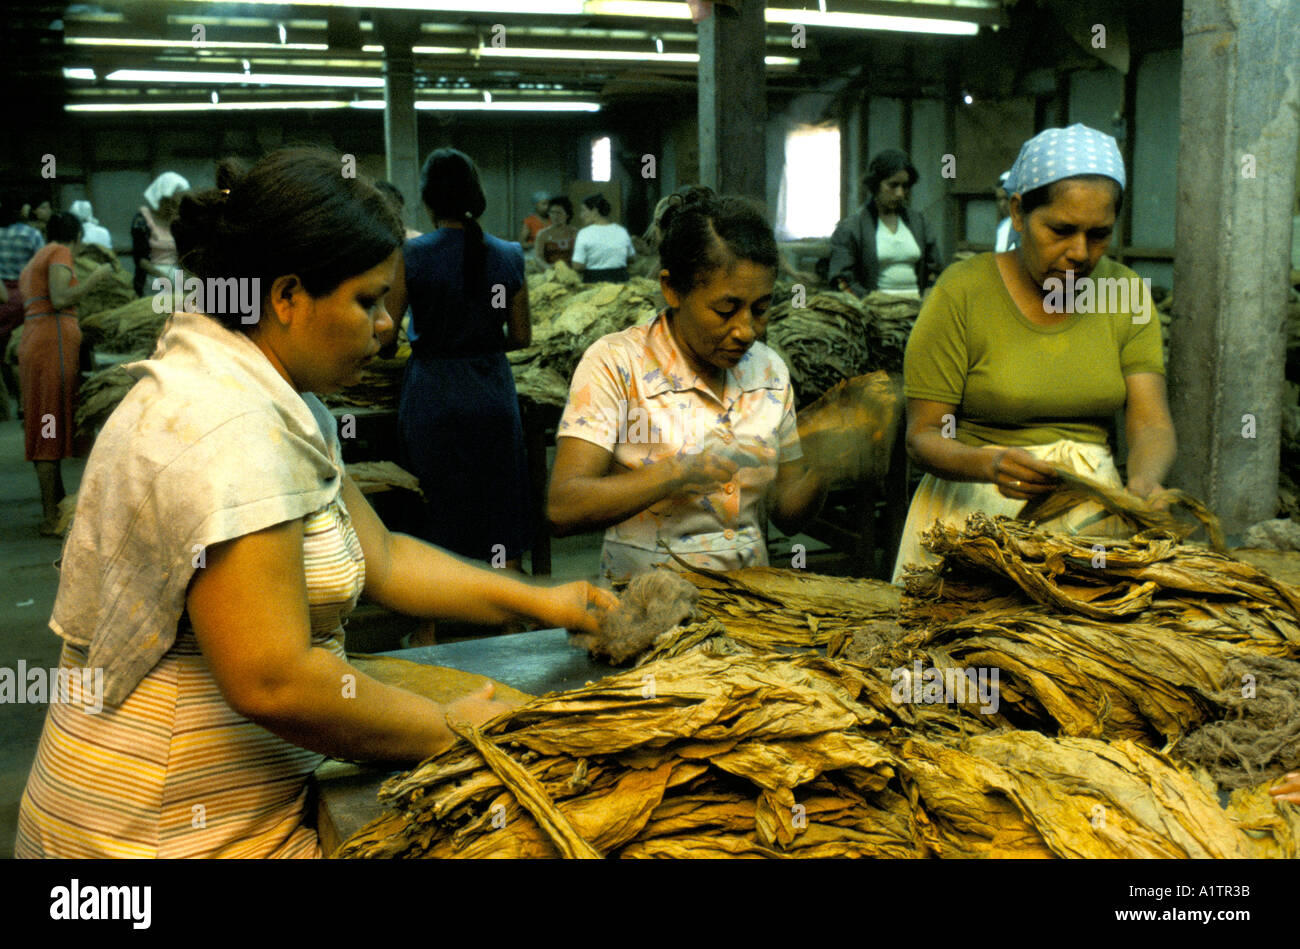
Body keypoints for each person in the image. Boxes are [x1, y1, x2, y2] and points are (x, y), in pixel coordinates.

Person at [15, 148, 615, 859]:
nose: (388, 325)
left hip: (235, 805)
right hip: (156, 829)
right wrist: (453, 726)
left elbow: (383, 557)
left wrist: (550, 602)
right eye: (367, 301)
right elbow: (273, 679)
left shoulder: (279, 402)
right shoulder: (228, 427)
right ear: (288, 296)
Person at [891, 123, 1175, 583]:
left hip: (1088, 514)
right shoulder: (961, 292)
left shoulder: (1125, 293)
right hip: (973, 513)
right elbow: (922, 436)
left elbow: (1151, 422)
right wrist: (989, 463)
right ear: (1019, 212)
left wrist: (1142, 481)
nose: (1080, 252)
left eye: (1099, 234)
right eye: (1060, 230)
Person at [548, 187, 825, 579]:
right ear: (671, 289)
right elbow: (564, 508)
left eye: (761, 310)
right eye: (726, 309)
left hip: (749, 603)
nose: (746, 331)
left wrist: (828, 464)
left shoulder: (769, 372)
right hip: (645, 604)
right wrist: (677, 472)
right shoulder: (617, 364)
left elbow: (787, 517)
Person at [384, 148, 534, 571]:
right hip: (492, 390)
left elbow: (386, 335)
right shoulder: (509, 254)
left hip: (434, 391)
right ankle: (509, 615)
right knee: (500, 497)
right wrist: (479, 343)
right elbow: (521, 336)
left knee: (434, 499)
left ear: (428, 200)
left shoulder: (410, 255)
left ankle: (429, 625)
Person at [16, 211, 114, 534]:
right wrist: (95, 278)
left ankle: (56, 509)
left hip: (36, 340)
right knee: (49, 423)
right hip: (51, 343)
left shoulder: (35, 261)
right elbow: (60, 297)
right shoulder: (60, 252)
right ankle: (50, 517)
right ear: (77, 237)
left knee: (45, 422)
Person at [828, 149, 942, 298]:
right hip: (874, 310)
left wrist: (928, 297)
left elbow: (934, 268)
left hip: (917, 308)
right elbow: (841, 278)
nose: (900, 193)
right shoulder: (852, 227)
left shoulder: (918, 222)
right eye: (893, 185)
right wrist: (870, 306)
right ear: (875, 185)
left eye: (905, 186)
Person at [0, 191, 45, 410]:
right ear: (21, 211)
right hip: (25, 296)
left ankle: (5, 404)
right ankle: (24, 403)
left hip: (1, 297)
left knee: (3, 351)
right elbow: (42, 265)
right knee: (21, 349)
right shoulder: (31, 234)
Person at [130, 171, 189, 296]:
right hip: (153, 279)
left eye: (176, 202)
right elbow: (140, 259)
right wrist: (164, 278)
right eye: (170, 202)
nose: (173, 206)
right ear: (160, 199)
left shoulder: (178, 221)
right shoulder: (142, 220)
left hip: (176, 278)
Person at [572, 194, 635, 283]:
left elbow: (577, 266)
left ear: (594, 211)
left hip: (594, 282)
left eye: (583, 211)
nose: (581, 215)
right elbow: (631, 258)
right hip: (621, 281)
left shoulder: (584, 233)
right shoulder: (622, 231)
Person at [533, 196, 577, 268]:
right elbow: (538, 257)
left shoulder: (575, 232)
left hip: (572, 271)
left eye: (559, 213)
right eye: (552, 212)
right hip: (550, 271)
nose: (555, 216)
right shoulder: (543, 234)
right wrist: (548, 267)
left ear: (567, 215)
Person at [993, 170, 1018, 253]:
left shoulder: (1032, 224)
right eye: (999, 199)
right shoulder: (1003, 227)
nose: (1002, 204)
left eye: (1006, 198)